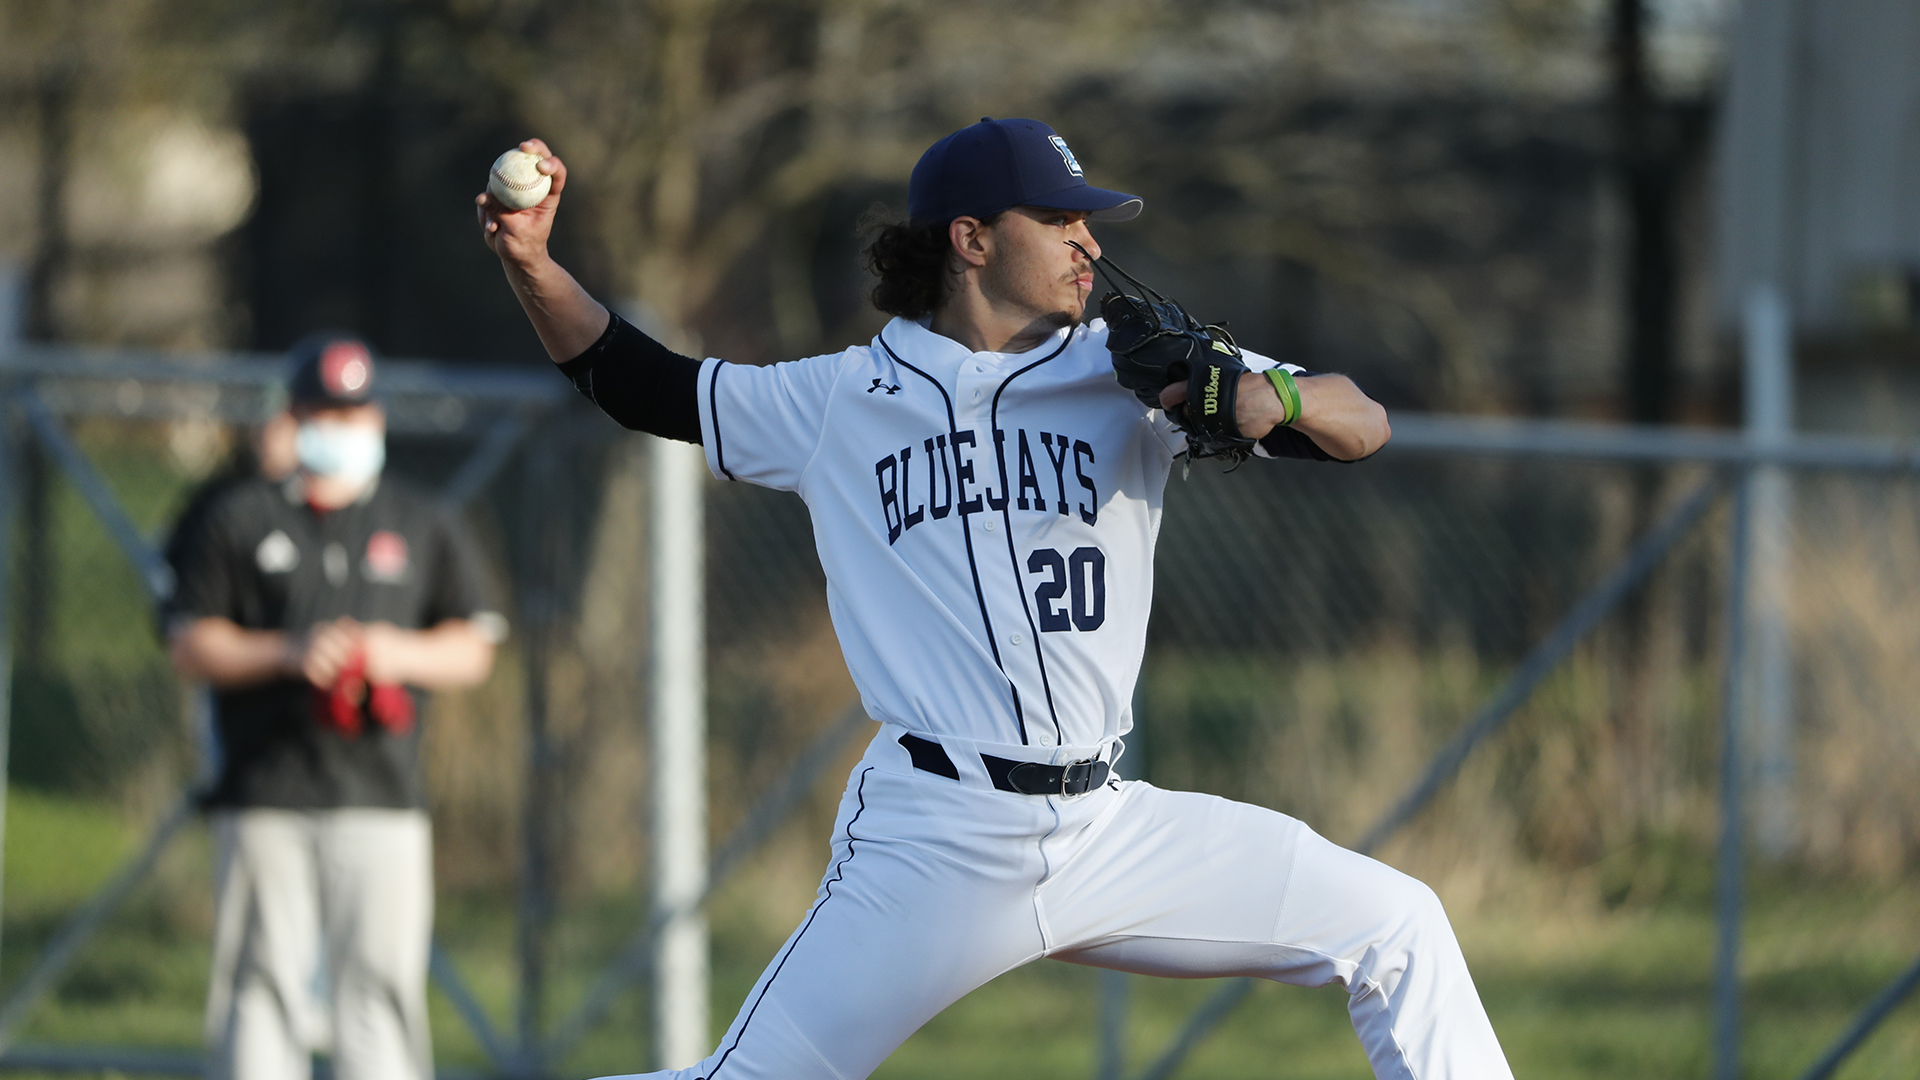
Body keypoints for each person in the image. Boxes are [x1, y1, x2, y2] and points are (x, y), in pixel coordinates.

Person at [477, 119, 1513, 1080]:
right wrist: (531, 264)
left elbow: (1363, 421)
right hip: (936, 834)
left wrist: (1266, 395)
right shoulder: (836, 402)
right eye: (1058, 220)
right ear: (971, 239)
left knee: (1397, 924)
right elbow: (639, 380)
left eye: (1087, 223)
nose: (1087, 246)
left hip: (1109, 827)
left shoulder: (1132, 372)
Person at [165, 334, 506, 1080]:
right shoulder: (240, 518)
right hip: (265, 792)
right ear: (293, 418)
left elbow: (473, 645)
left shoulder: (421, 521)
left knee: (377, 1000)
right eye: (324, 413)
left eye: (354, 413)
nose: (341, 430)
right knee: (260, 993)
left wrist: (394, 653)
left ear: (377, 418)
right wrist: (289, 652)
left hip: (382, 797)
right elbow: (190, 643)